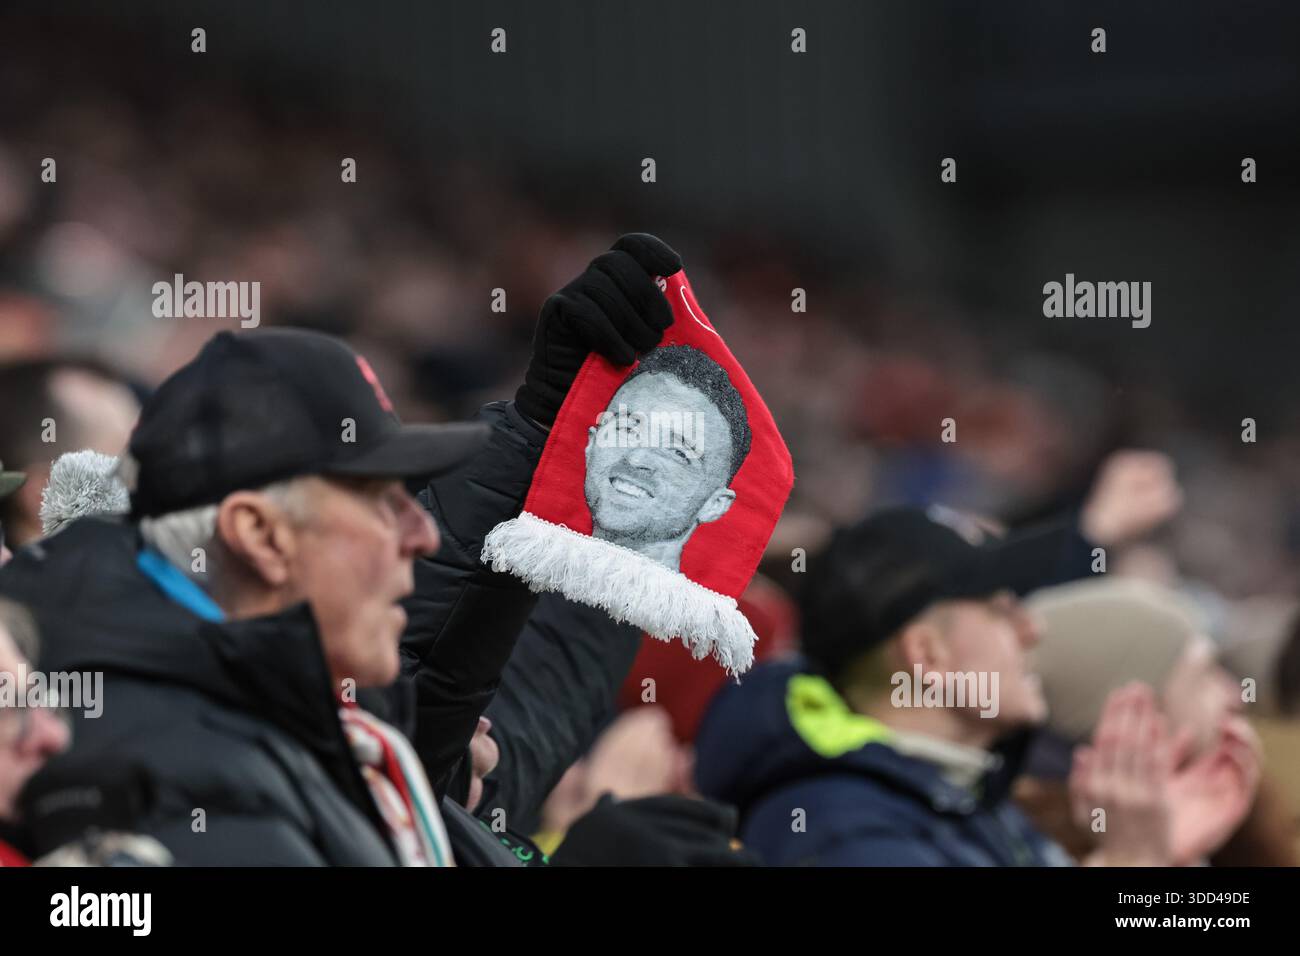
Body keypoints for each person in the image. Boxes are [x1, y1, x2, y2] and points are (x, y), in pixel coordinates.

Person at [2, 233, 749, 866]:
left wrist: (545, 434)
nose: (418, 530)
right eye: (380, 499)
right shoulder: (157, 757)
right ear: (259, 534)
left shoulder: (282, 701)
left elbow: (435, 691)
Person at [693, 507, 1173, 866]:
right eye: (1002, 609)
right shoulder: (838, 828)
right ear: (927, 656)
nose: (1034, 629)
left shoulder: (961, 799)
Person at [583, 345, 751, 572]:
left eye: (678, 453)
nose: (636, 458)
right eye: (626, 430)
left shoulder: (744, 608)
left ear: (715, 505)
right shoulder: (527, 564)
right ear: (592, 443)